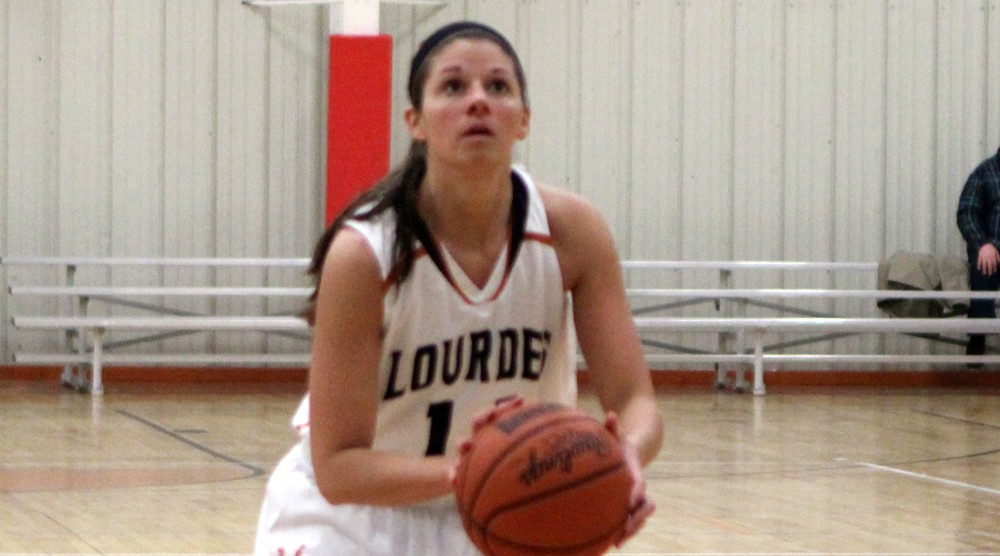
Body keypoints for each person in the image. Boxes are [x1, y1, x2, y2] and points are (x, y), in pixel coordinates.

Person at [253, 21, 664, 555]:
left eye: (497, 87)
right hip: (351, 519)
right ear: (415, 122)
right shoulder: (366, 254)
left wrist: (623, 456)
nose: (478, 101)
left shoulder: (572, 232)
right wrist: (488, 471)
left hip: (494, 515)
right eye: (453, 87)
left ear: (524, 121)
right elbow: (338, 468)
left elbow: (636, 400)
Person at [956, 146, 1000, 358]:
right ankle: (979, 333)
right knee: (983, 268)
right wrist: (983, 244)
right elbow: (967, 212)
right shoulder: (984, 173)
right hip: (991, 249)